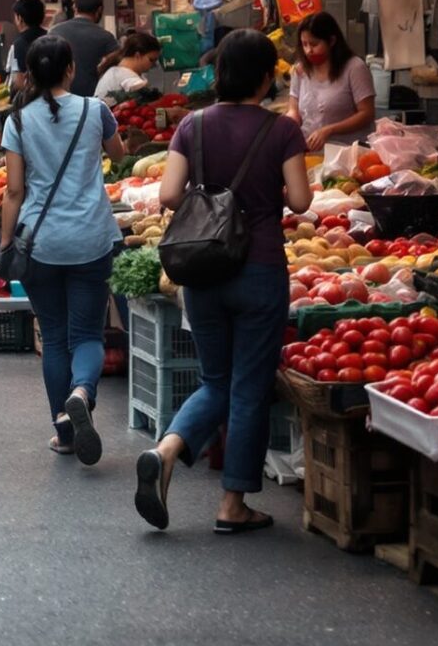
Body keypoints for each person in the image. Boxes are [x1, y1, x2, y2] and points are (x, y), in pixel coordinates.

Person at [134, 29, 313, 534]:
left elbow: (169, 194)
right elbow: (300, 202)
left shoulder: (192, 125)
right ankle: (232, 504)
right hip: (258, 268)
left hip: (204, 268)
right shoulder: (281, 131)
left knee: (215, 380)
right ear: (264, 76)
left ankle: (168, 448)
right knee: (249, 387)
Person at [0, 35, 126, 464]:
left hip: (40, 243)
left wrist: (4, 244)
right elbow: (119, 154)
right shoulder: (95, 110)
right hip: (91, 237)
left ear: (29, 74)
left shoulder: (17, 120)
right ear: (71, 69)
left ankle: (64, 433)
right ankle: (83, 391)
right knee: (86, 332)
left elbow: (14, 192)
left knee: (54, 338)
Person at [290, 12, 375, 152]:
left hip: (347, 152)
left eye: (314, 44)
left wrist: (329, 130)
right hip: (311, 152)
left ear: (332, 41)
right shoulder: (300, 70)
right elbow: (293, 109)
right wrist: (288, 123)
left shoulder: (354, 68)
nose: (308, 51)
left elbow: (366, 113)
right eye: (304, 44)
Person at [47, 0, 119, 86]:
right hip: (91, 97)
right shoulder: (106, 38)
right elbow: (117, 69)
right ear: (100, 9)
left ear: (74, 7)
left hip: (59, 95)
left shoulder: (54, 32)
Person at [93, 30, 164, 101]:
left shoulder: (114, 69)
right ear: (137, 55)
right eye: (151, 60)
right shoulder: (130, 80)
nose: (154, 64)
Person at [8, 0, 48, 78]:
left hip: (32, 89)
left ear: (19, 18)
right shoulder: (51, 37)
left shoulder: (19, 44)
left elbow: (18, 79)